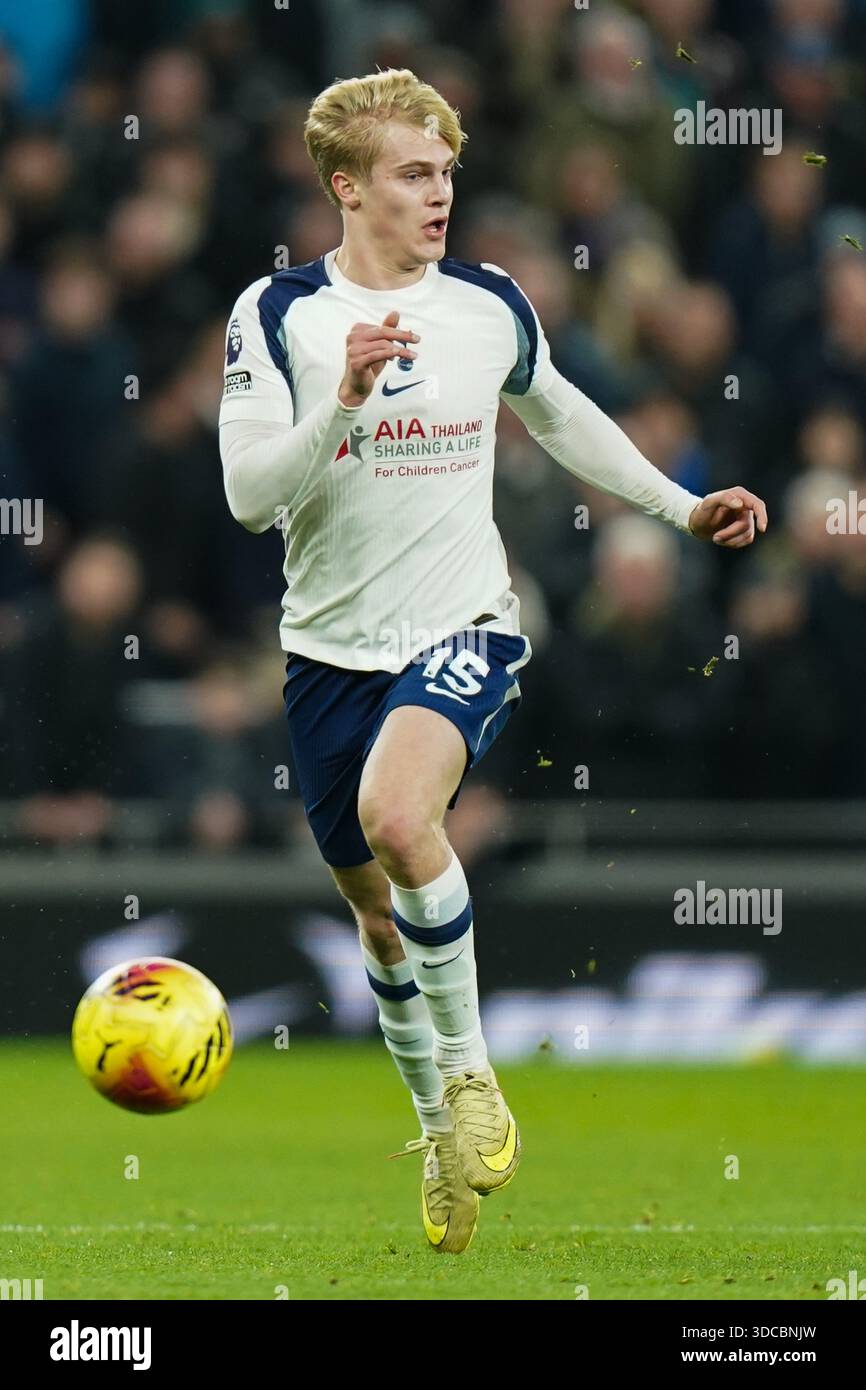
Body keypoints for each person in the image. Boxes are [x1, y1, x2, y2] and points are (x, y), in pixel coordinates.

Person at [218, 68, 767, 1255]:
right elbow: (249, 497)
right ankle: (434, 1126)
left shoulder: (486, 300)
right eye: (413, 174)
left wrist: (678, 509)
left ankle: (471, 1076)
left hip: (463, 623)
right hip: (325, 654)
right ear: (346, 186)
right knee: (374, 917)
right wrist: (345, 402)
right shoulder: (276, 315)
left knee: (401, 817)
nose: (439, 195)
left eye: (447, 174)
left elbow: (560, 411)